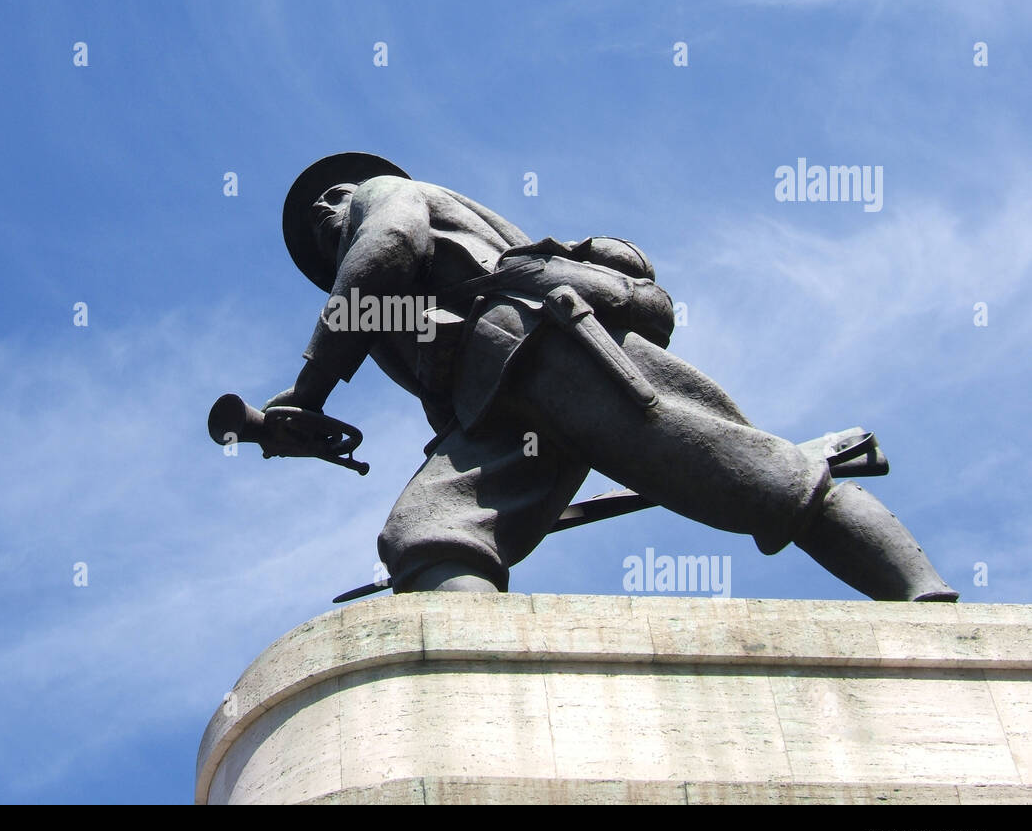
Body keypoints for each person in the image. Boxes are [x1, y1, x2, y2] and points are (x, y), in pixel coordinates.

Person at [264, 152, 958, 601]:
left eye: (332, 197)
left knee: (748, 475)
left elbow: (388, 243)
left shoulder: (388, 198)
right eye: (313, 220)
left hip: (544, 347)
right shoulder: (385, 314)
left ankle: (929, 612)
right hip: (496, 403)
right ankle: (477, 691)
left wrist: (310, 389)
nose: (325, 212)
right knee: (429, 536)